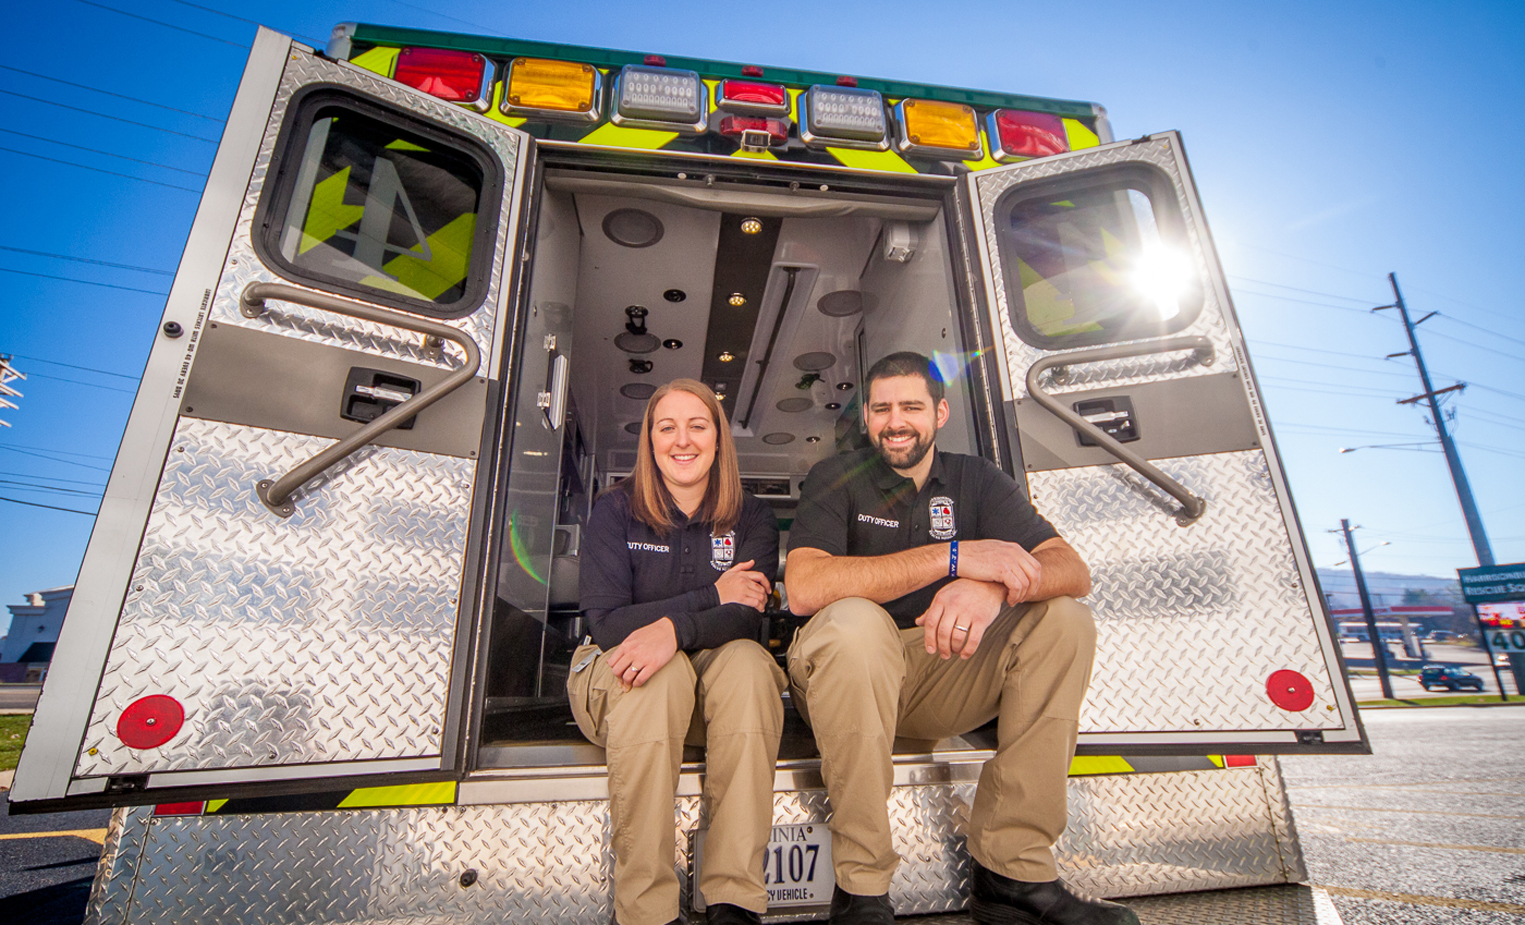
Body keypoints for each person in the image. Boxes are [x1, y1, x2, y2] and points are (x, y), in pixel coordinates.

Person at [784, 352, 1138, 925]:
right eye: (882, 409)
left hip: (937, 672)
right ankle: (862, 890)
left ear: (940, 412)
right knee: (856, 622)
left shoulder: (975, 479)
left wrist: (995, 587)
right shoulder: (836, 475)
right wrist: (952, 557)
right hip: (841, 676)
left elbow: (1071, 568)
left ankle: (1012, 874)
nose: (895, 421)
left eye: (911, 407)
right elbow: (803, 588)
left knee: (1064, 619)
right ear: (867, 418)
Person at [570, 378, 787, 925]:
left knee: (749, 665)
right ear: (649, 439)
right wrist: (707, 598)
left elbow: (745, 616)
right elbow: (609, 622)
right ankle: (647, 911)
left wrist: (673, 628)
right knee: (657, 674)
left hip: (714, 693)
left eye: (698, 425)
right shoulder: (614, 511)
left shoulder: (753, 518)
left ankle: (735, 900)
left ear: (718, 439)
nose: (682, 439)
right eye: (667, 427)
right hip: (618, 679)